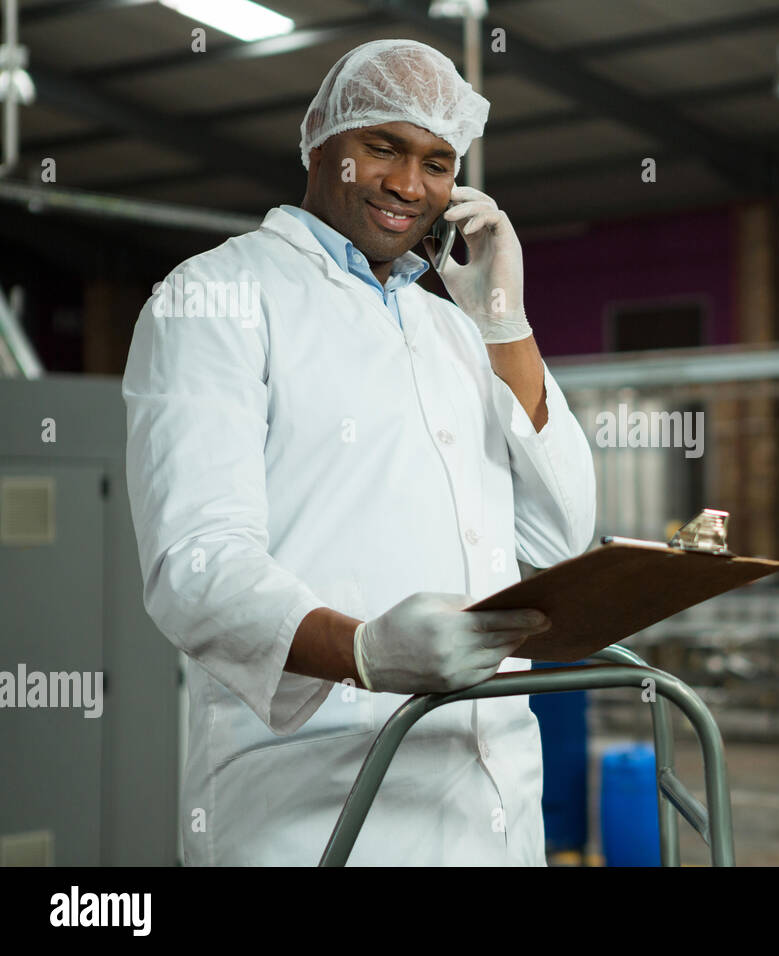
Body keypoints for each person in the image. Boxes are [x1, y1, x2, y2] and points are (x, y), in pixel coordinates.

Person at [121, 38, 596, 865]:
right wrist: (363, 651)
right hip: (315, 806)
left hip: (494, 802)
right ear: (319, 139)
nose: (411, 186)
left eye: (439, 162)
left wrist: (505, 325)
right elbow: (194, 564)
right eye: (385, 147)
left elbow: (557, 542)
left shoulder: (454, 328)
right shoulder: (218, 298)